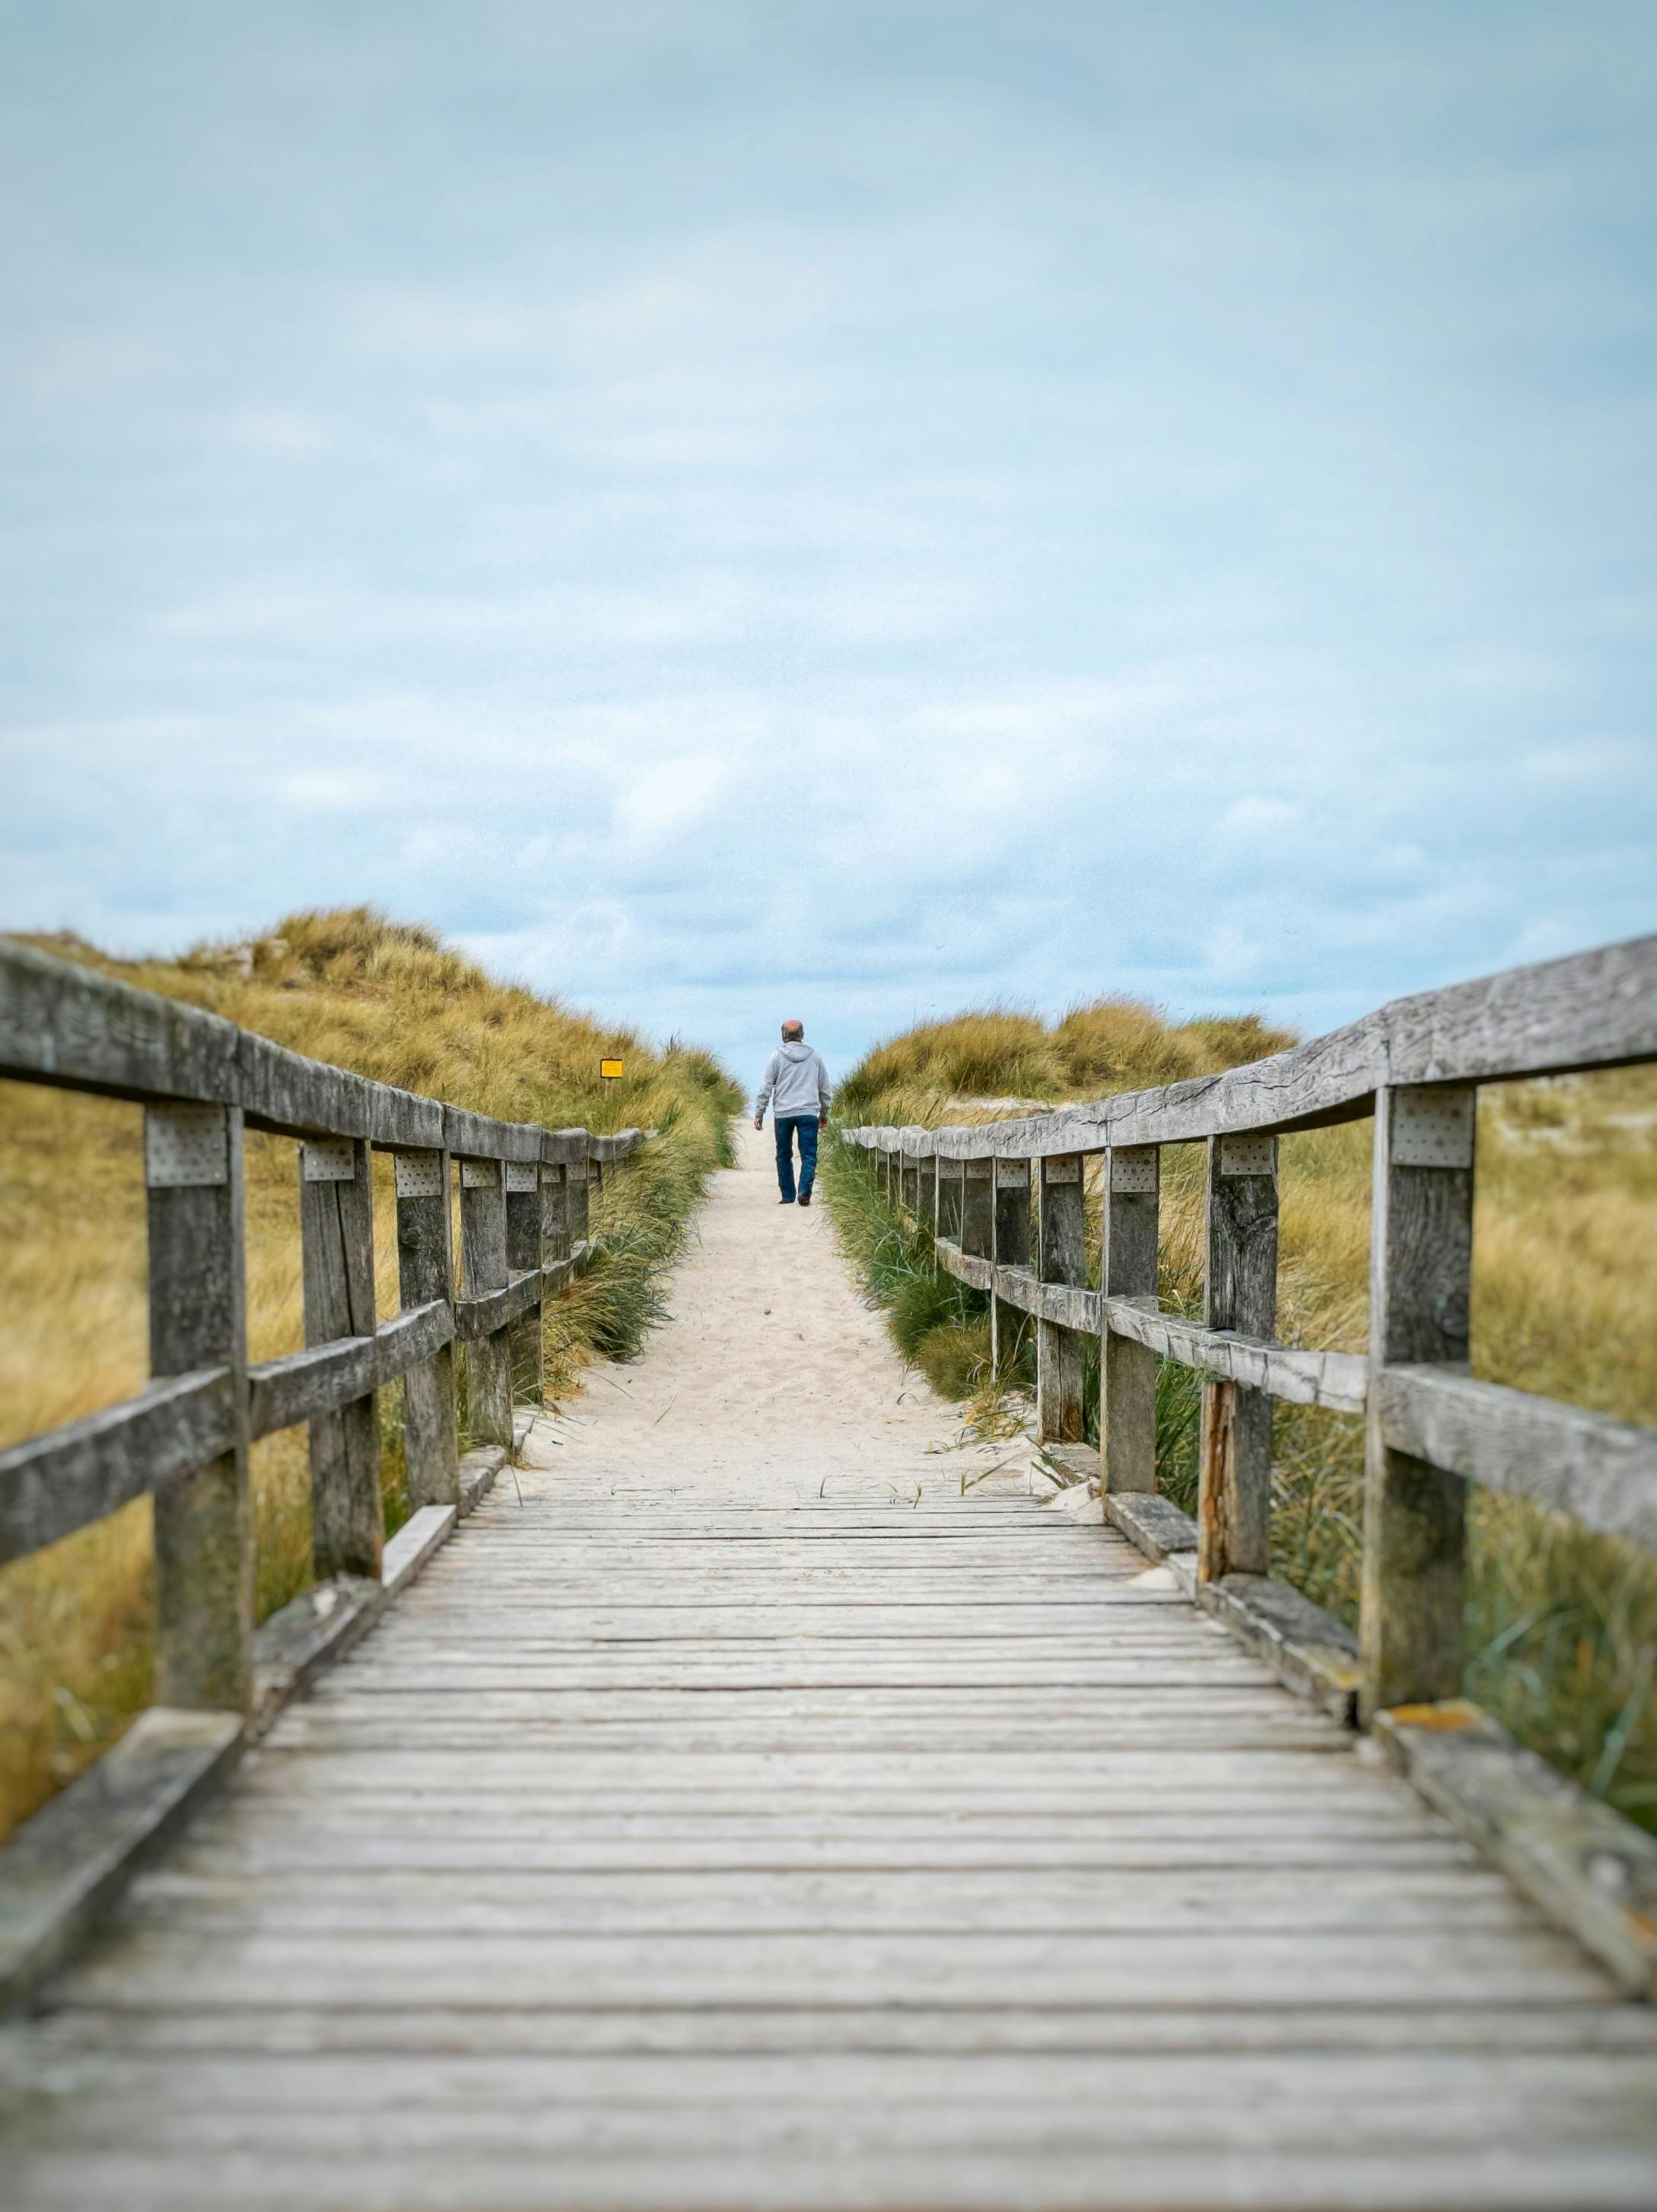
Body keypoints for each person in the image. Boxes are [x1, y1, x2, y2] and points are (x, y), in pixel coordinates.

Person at [754, 1019, 832, 1206]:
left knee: (783, 1154)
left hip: (783, 1113)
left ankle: (788, 1195)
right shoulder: (815, 1056)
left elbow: (766, 1086)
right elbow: (824, 1088)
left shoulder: (776, 1056)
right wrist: (824, 1112)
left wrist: (760, 1112)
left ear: (783, 1036)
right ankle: (804, 1191)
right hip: (808, 1112)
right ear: (802, 1035)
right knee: (809, 1154)